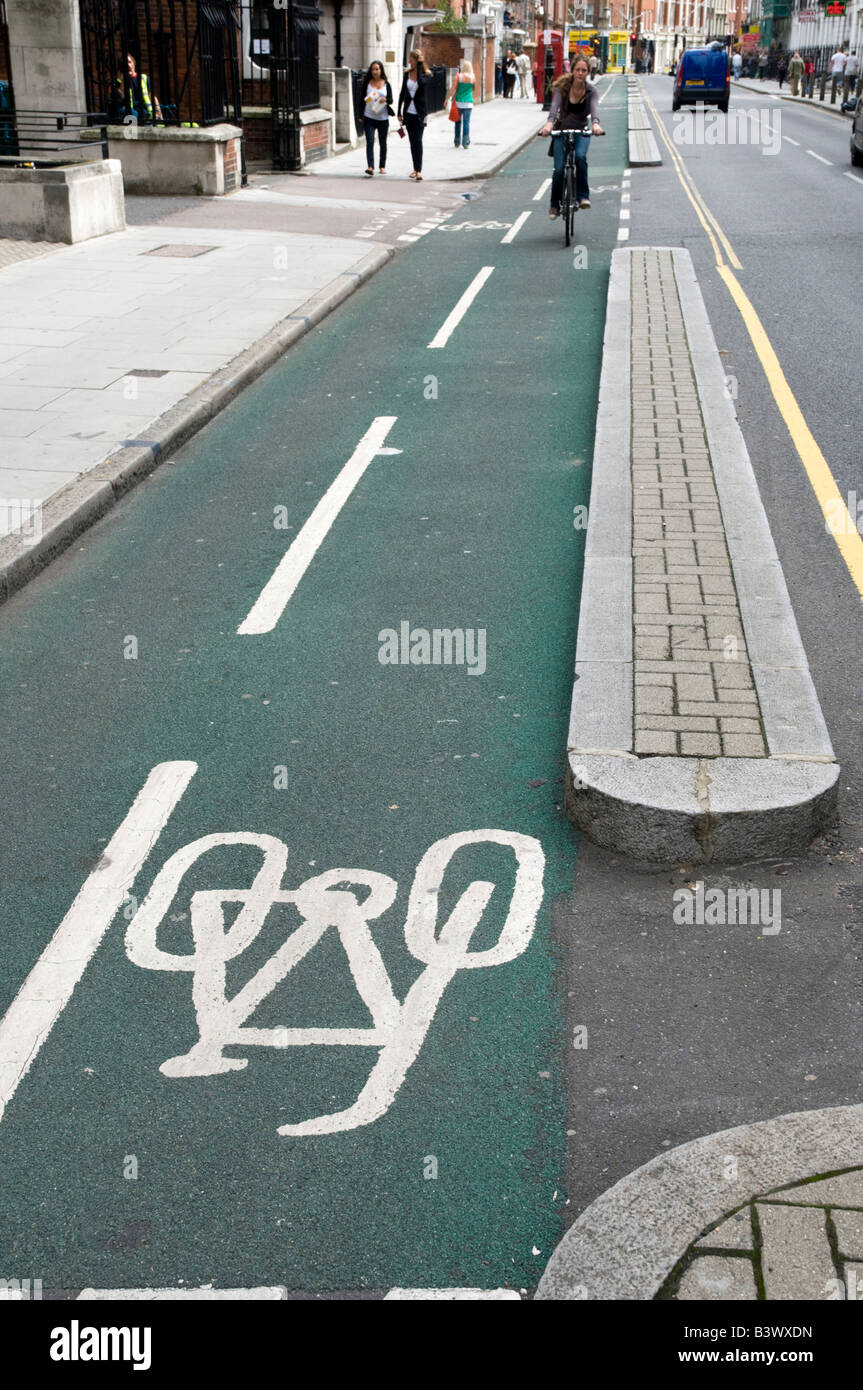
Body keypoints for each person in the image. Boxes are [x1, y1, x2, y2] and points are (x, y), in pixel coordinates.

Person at [540, 54, 603, 220]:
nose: (580, 73)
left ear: (588, 72)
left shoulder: (591, 91)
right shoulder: (564, 89)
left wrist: (595, 124)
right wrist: (549, 125)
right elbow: (554, 109)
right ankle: (555, 205)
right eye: (578, 70)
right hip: (562, 131)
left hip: (581, 131)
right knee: (559, 169)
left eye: (584, 70)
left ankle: (583, 196)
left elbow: (595, 109)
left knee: (580, 158)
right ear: (572, 71)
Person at [398, 49, 430, 180]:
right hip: (408, 113)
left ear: (417, 60)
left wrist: (419, 66)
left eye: (411, 60)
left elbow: (422, 84)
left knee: (418, 140)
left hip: (420, 112)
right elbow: (402, 93)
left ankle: (419, 170)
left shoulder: (426, 74)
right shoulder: (407, 74)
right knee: (412, 141)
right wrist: (399, 111)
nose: (409, 62)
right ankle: (415, 168)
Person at [362, 61, 394, 176]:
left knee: (382, 143)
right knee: (370, 141)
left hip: (383, 118)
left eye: (377, 69)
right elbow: (361, 98)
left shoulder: (386, 84)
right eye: (373, 69)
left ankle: (382, 166)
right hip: (369, 116)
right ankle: (370, 166)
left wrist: (386, 99)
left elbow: (391, 100)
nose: (375, 72)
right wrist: (360, 115)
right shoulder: (367, 83)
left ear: (381, 70)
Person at [116, 52, 162, 124]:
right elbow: (118, 97)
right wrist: (120, 80)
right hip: (130, 116)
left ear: (133, 63)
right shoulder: (120, 81)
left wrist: (158, 112)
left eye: (129, 62)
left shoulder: (143, 78)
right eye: (125, 64)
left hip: (145, 113)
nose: (128, 65)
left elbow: (151, 96)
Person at [447, 59, 475, 148]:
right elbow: (474, 89)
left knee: (458, 123)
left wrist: (447, 99)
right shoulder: (473, 77)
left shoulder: (458, 77)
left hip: (459, 102)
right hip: (469, 103)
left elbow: (452, 89)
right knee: (466, 123)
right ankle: (466, 143)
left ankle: (457, 141)